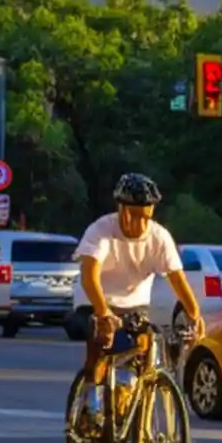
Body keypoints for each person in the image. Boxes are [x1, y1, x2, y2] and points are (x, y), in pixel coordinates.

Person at [76, 172, 205, 421]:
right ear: (121, 209)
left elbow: (177, 279)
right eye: (133, 215)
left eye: (146, 216)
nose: (140, 223)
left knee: (142, 348)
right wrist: (103, 313)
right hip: (96, 299)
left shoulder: (159, 237)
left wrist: (194, 314)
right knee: (102, 342)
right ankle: (90, 402)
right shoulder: (101, 230)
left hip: (135, 305)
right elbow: (89, 276)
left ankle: (129, 407)